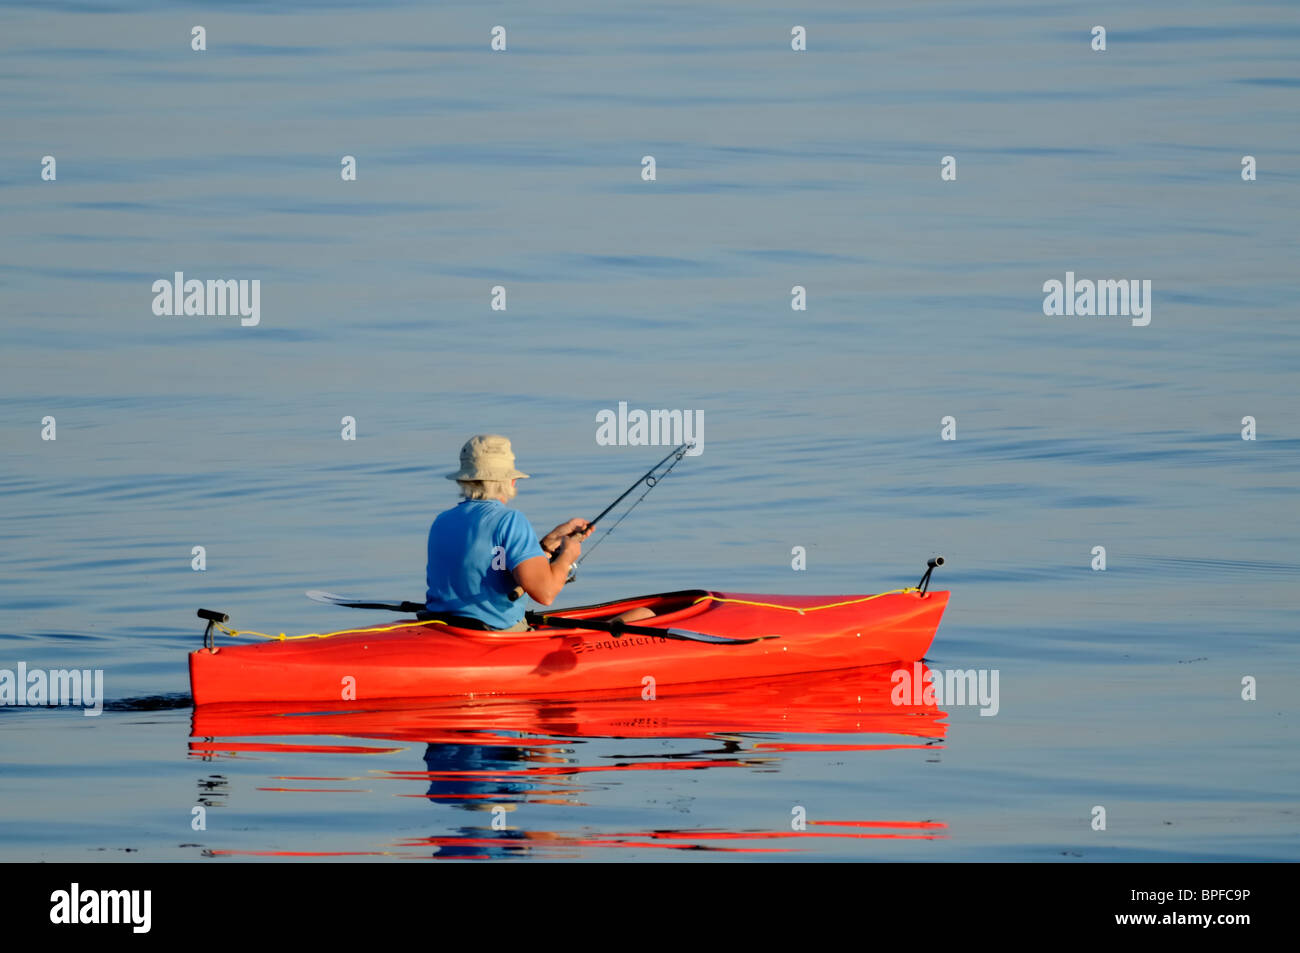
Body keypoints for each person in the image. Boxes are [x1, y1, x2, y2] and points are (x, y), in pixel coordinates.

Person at [424, 435, 653, 632]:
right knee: (644, 615)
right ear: (511, 480)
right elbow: (545, 593)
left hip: (447, 628)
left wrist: (548, 543)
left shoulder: (442, 521)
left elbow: (493, 564)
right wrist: (567, 557)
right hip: (495, 635)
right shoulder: (510, 520)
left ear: (465, 479)